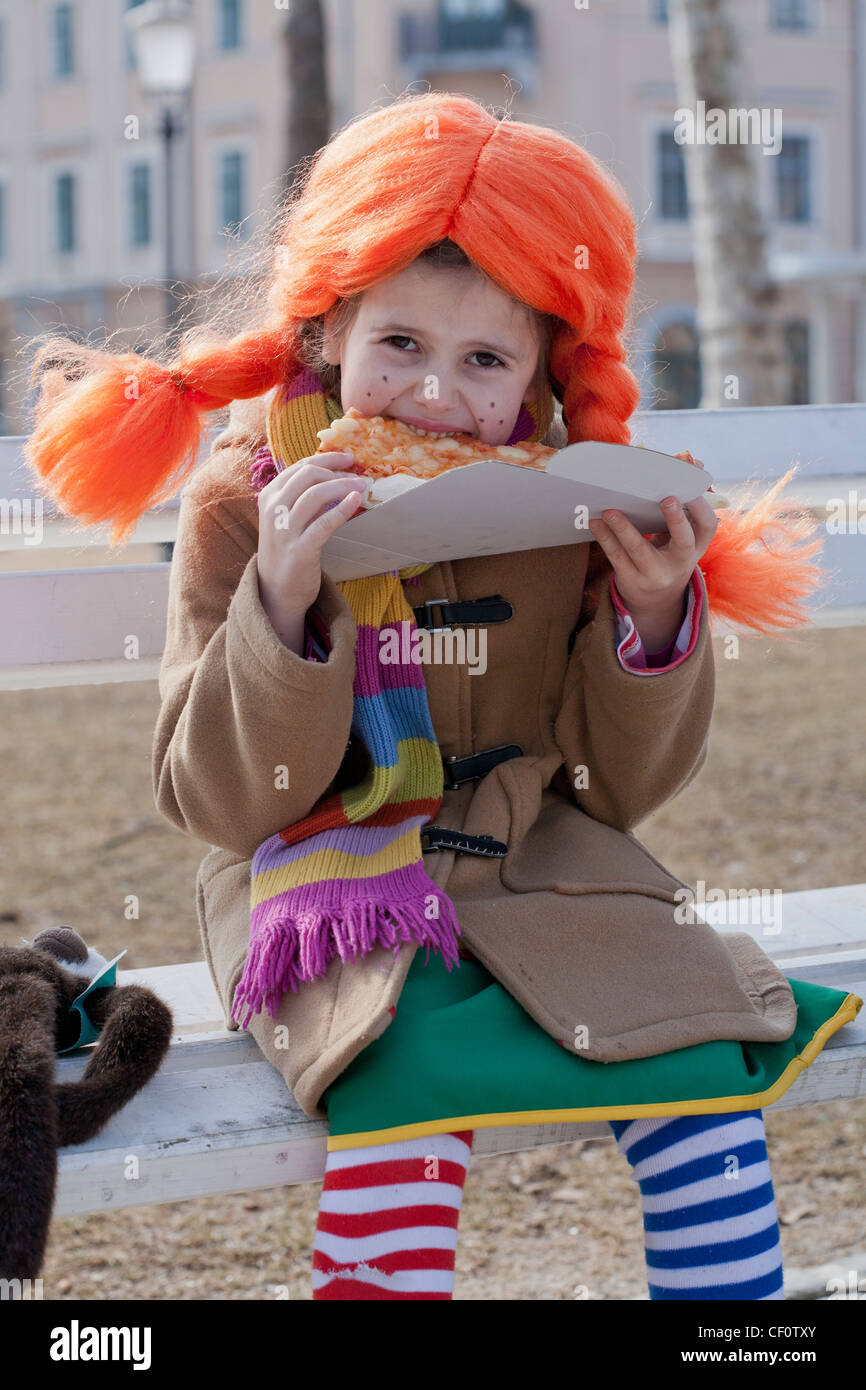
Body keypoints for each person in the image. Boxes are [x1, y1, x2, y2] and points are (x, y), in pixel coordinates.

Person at [24, 91, 860, 1302]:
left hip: (542, 864)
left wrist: (653, 619)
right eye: (399, 345)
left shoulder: (573, 500)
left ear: (541, 369)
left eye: (484, 361)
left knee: (702, 1103)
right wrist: (281, 601)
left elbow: (616, 791)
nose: (432, 395)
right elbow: (212, 798)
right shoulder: (242, 499)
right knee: (405, 1116)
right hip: (320, 879)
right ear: (327, 334)